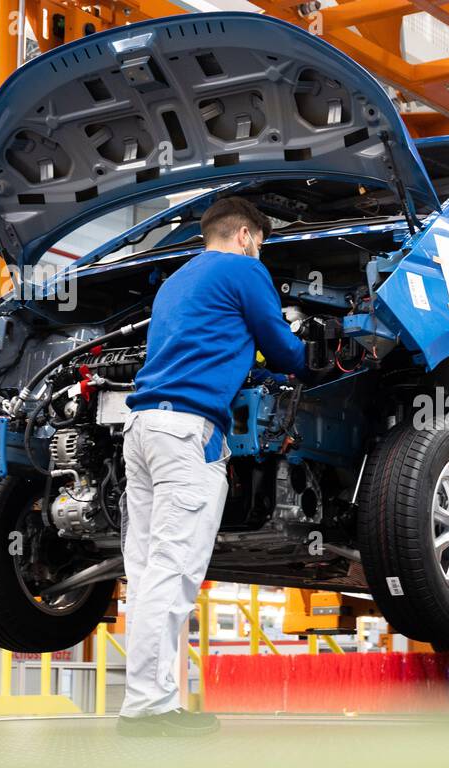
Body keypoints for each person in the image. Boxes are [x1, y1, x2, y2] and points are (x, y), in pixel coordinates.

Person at [117, 197, 305, 737]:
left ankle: (153, 702)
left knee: (150, 573)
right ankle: (146, 711)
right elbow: (282, 349)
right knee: (173, 573)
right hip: (187, 436)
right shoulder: (244, 270)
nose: (261, 254)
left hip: (142, 431)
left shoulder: (175, 281)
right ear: (246, 236)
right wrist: (309, 354)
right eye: (262, 244)